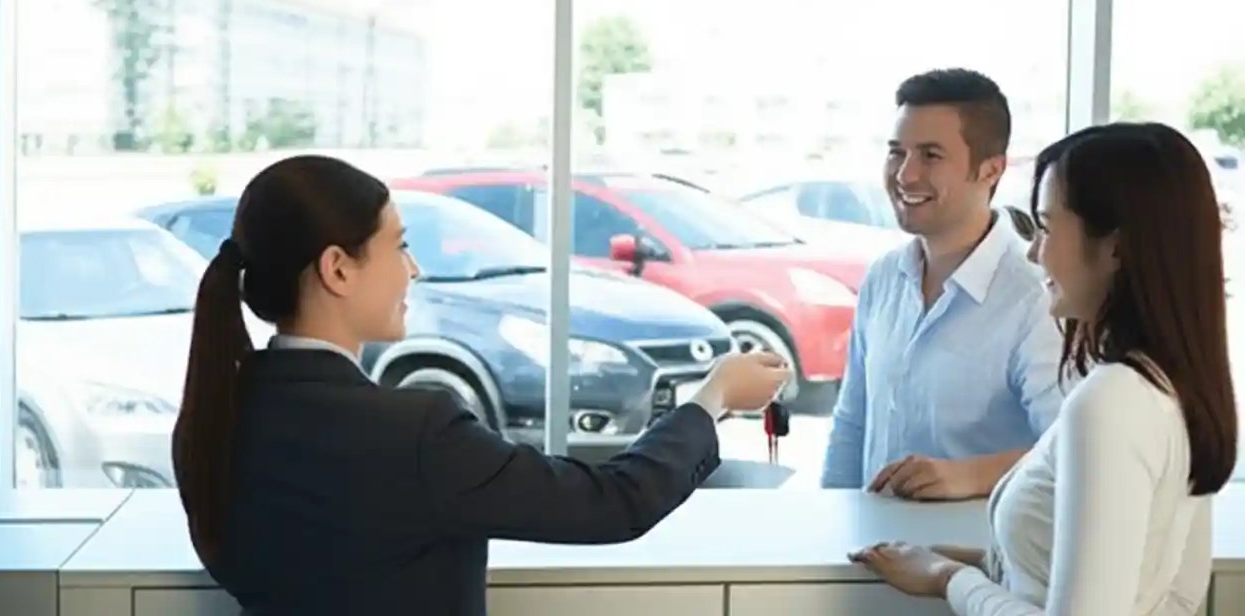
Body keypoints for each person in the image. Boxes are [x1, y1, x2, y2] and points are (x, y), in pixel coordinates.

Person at [171, 154, 790, 616]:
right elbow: (615, 501)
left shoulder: (215, 417)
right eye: (399, 246)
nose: (412, 268)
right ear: (337, 268)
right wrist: (712, 400)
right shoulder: (414, 434)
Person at [850, 122, 1237, 614]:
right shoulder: (1173, 388)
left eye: (1047, 228)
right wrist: (980, 566)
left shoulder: (1110, 400)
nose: (1034, 252)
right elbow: (1173, 593)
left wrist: (948, 579)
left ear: (1115, 247)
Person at [821, 68, 1063, 500]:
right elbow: (852, 424)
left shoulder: (1035, 296)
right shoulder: (883, 278)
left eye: (931, 156)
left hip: (976, 560)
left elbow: (1072, 451)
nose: (906, 175)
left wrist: (972, 475)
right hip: (869, 556)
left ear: (990, 170)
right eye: (897, 153)